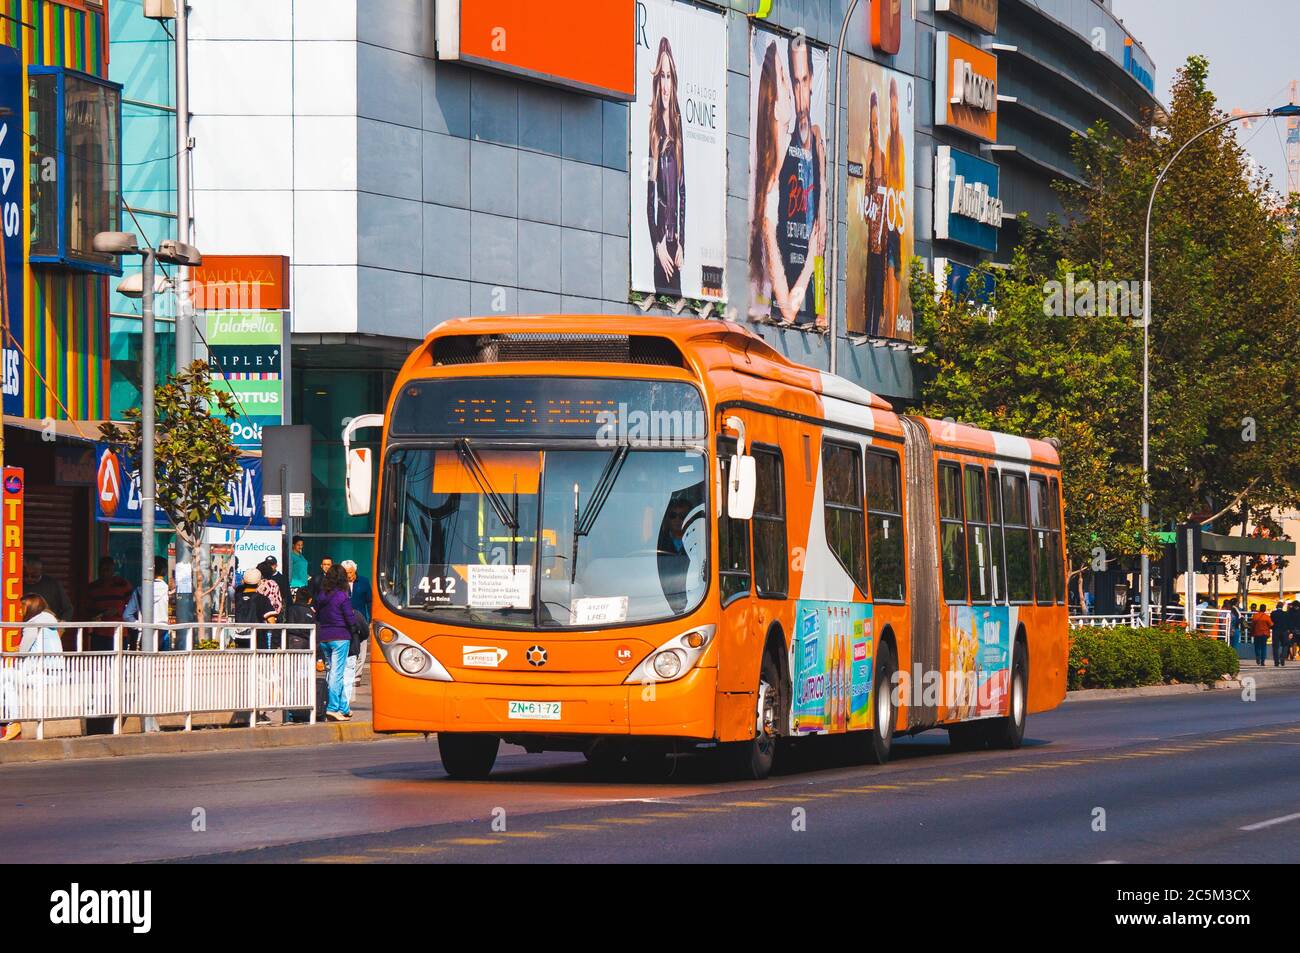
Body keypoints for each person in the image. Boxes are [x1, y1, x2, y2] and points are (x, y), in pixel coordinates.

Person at [771, 36, 825, 327]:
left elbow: (822, 237)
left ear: (812, 80)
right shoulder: (782, 144)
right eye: (795, 81)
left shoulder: (818, 144)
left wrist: (820, 309)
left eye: (804, 80)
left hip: (810, 292)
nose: (800, 91)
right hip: (786, 289)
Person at [646, 36, 686, 296]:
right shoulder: (653, 132)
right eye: (661, 76)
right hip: (661, 246)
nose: (665, 84)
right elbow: (649, 200)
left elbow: (683, 192)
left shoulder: (679, 127)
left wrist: (681, 243)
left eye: (669, 76)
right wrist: (657, 246)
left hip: (676, 247)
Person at [0, 594, 64, 741]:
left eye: (22, 606)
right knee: (8, 680)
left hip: (41, 673)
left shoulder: (32, 624)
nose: (19, 611)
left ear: (30, 606)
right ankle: (12, 720)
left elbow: (24, 650)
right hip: (55, 673)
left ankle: (14, 720)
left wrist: (16, 650)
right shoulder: (49, 622)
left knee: (4, 675)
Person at [315, 565, 357, 722]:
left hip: (324, 636)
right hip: (340, 636)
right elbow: (349, 617)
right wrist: (354, 630)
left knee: (332, 672)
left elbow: (318, 615)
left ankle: (344, 707)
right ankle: (332, 708)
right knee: (337, 674)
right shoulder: (342, 596)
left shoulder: (321, 596)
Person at [862, 88, 887, 337]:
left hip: (882, 241)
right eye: (872, 125)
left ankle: (876, 333)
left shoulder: (883, 156)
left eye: (878, 123)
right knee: (869, 293)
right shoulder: (868, 156)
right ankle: (868, 332)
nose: (876, 129)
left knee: (879, 293)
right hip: (869, 245)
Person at [82, 557, 133, 650]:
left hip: (119, 632)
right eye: (102, 570)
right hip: (99, 634)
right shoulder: (92, 588)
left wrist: (118, 611)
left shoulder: (123, 585)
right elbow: (87, 610)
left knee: (119, 663)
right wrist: (98, 614)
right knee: (98, 663)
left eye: (107, 570)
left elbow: (132, 608)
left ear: (113, 570)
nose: (104, 573)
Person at [282, 588, 317, 724]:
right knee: (303, 678)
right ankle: (302, 709)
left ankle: (290, 712)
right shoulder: (310, 612)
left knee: (290, 677)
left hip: (290, 643)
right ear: (309, 599)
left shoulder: (291, 609)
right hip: (305, 645)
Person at [340, 560, 371, 704]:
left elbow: (369, 601)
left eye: (351, 573)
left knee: (362, 646)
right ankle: (349, 674)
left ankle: (357, 675)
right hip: (345, 619)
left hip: (361, 618)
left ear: (355, 571)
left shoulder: (364, 582)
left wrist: (371, 619)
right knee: (350, 647)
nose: (349, 576)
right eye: (346, 573)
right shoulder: (340, 584)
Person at [124, 557, 171, 650]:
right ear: (165, 571)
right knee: (164, 663)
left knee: (146, 663)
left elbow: (126, 615)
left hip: (145, 633)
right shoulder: (168, 590)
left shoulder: (139, 591)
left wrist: (139, 625)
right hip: (163, 632)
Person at [22, 556, 72, 625]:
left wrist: (62, 626)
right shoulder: (18, 583)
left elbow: (68, 608)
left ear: (41, 572)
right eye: (25, 575)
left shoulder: (53, 584)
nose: (29, 578)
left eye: (34, 576)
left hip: (47, 626)